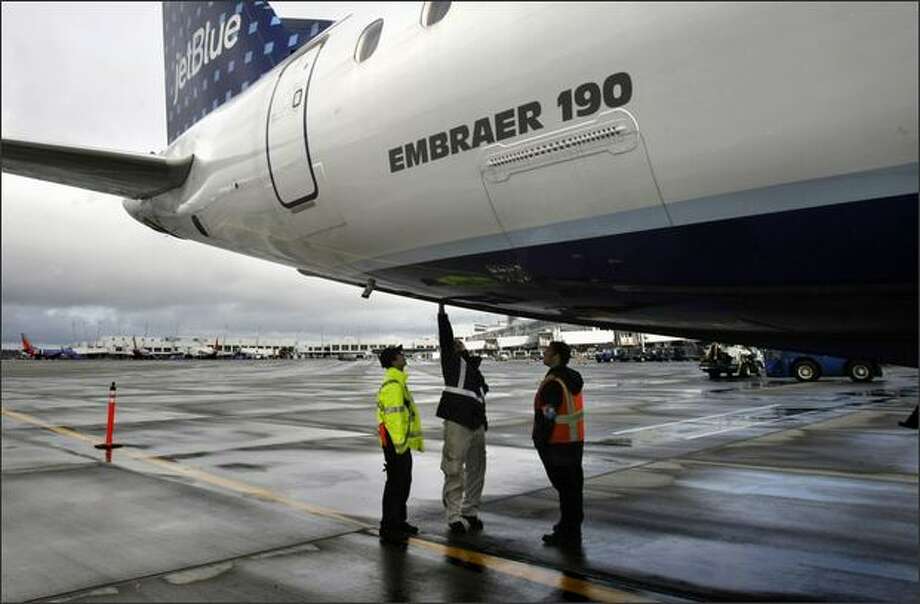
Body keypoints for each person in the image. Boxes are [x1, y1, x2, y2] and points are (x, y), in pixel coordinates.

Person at [437, 302, 489, 535]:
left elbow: (481, 393)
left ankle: (470, 510)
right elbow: (445, 338)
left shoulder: (472, 368)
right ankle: (454, 515)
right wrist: (442, 312)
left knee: (478, 469)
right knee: (454, 469)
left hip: (477, 423)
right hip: (458, 422)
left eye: (460, 342)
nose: (457, 343)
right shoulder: (451, 364)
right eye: (455, 342)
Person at [533, 340, 585, 547]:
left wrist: (540, 440)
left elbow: (549, 414)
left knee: (565, 490)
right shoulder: (573, 378)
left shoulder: (554, 382)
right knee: (573, 489)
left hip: (557, 442)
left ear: (556, 356)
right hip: (574, 441)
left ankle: (567, 532)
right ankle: (571, 527)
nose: (543, 355)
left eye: (547, 352)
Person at [376, 345, 424, 545]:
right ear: (394, 360)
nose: (405, 357)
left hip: (399, 444)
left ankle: (398, 521)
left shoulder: (398, 381)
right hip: (396, 445)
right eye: (401, 355)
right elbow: (394, 419)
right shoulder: (394, 384)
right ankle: (388, 526)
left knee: (403, 483)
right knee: (396, 484)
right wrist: (399, 445)